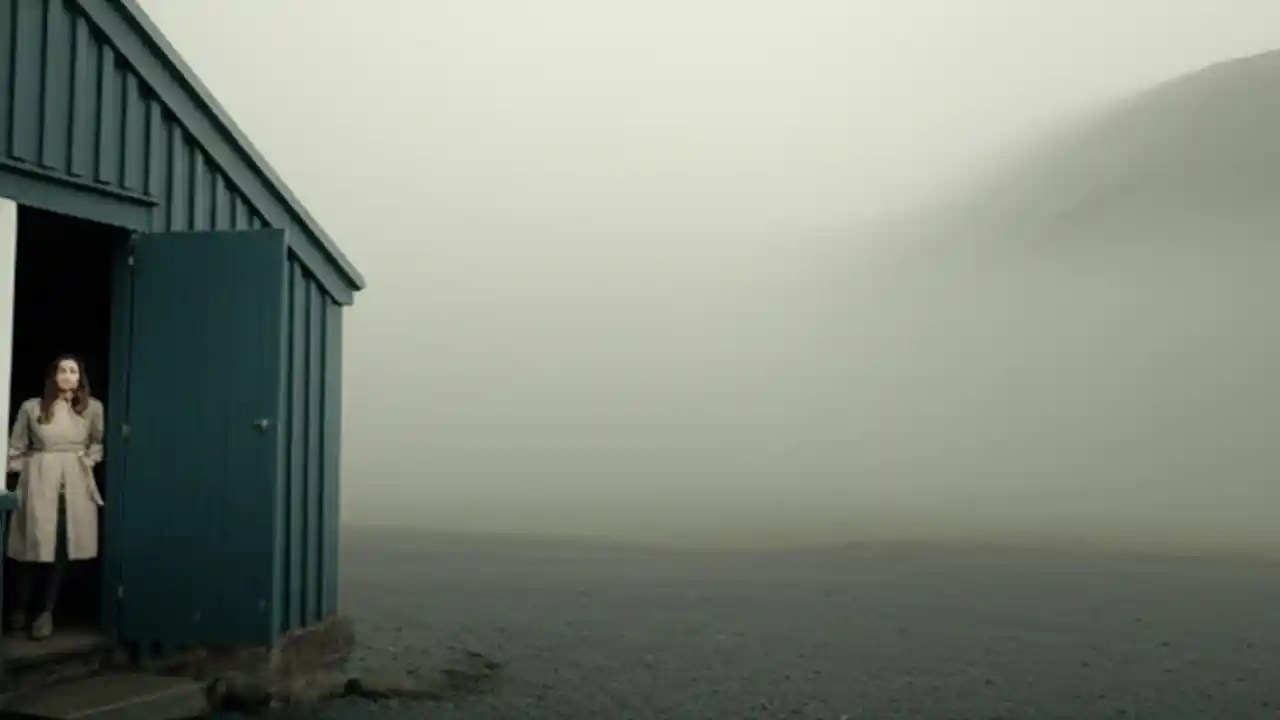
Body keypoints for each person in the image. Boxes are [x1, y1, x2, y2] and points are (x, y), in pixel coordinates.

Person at [5, 355, 105, 640]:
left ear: (80, 377)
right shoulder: (32, 407)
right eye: (62, 370)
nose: (68, 375)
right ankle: (18, 607)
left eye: (73, 370)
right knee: (31, 546)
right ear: (53, 375)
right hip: (39, 481)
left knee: (60, 548)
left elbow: (97, 443)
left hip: (73, 485)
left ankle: (45, 612)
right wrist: (26, 472)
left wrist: (86, 463)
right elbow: (16, 446)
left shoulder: (92, 408)